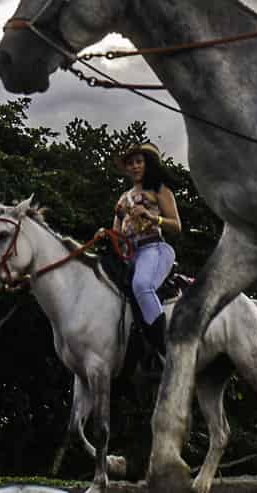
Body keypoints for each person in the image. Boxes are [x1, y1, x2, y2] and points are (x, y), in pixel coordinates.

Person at [112, 141, 182, 370]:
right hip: (128, 255)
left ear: (147, 164)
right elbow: (116, 232)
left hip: (153, 249)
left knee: (142, 285)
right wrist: (108, 236)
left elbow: (176, 226)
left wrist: (153, 218)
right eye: (130, 163)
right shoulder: (123, 199)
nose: (134, 166)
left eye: (138, 161)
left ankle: (165, 354)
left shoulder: (159, 190)